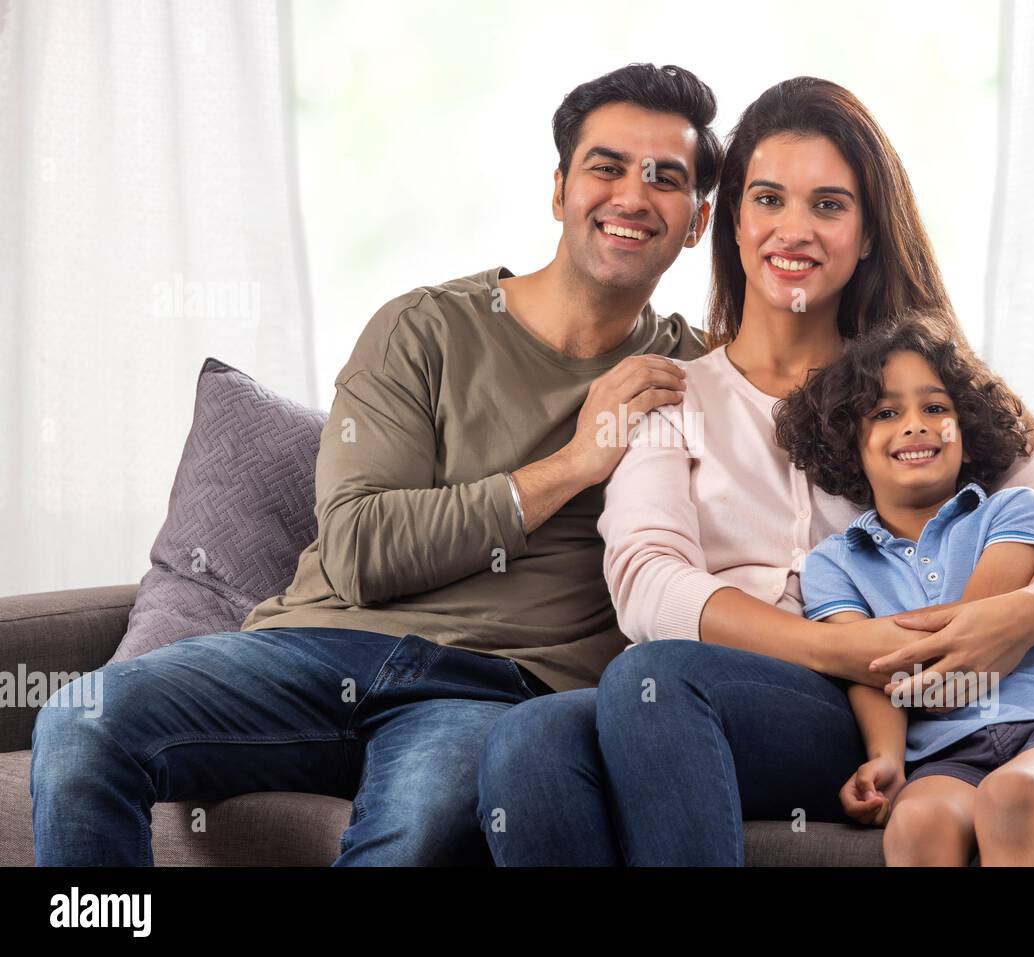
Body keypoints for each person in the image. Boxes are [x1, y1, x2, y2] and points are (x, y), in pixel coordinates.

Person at [29, 62, 722, 866]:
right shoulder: (425, 330)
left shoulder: (692, 378)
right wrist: (573, 464)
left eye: (665, 179)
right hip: (315, 649)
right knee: (80, 718)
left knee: (414, 836)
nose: (633, 196)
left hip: (498, 689)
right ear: (561, 188)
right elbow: (359, 548)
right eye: (606, 167)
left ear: (699, 221)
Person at [477, 76, 1034, 866]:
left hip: (871, 714)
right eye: (769, 199)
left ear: (868, 233)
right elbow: (647, 579)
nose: (795, 230)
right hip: (736, 692)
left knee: (657, 682)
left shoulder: (921, 396)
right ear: (733, 223)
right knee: (528, 739)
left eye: (829, 205)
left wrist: (1022, 613)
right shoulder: (671, 396)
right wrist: (833, 648)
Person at [781, 315, 1034, 866]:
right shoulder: (832, 564)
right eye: (885, 413)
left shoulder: (1013, 509)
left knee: (1011, 798)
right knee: (915, 822)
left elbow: (974, 626)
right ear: (847, 442)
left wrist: (897, 659)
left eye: (936, 408)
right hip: (947, 749)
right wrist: (886, 756)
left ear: (967, 430)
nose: (915, 425)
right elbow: (867, 669)